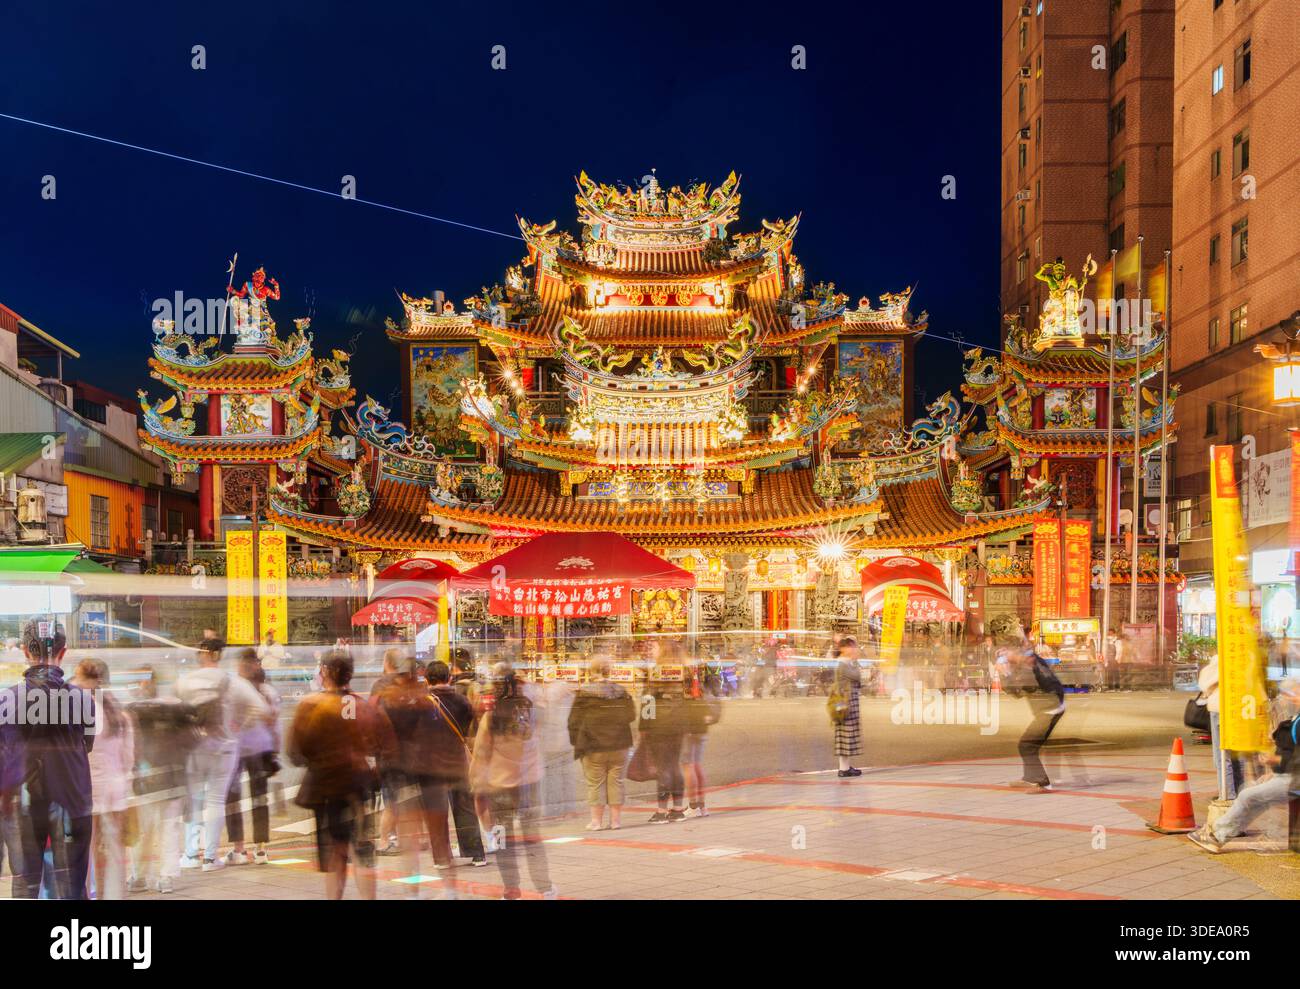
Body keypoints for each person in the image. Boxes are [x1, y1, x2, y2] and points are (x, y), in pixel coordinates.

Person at [287, 651, 396, 900]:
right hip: (359, 784)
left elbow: (295, 752)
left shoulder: (310, 706)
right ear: (350, 674)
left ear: (324, 671)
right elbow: (386, 745)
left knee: (335, 852)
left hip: (326, 786)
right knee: (363, 850)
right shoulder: (364, 705)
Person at [1, 620, 94, 899]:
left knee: (26, 885)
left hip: (24, 802)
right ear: (63, 653)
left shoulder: (7, 700)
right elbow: (87, 745)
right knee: (73, 886)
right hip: (73, 802)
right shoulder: (83, 699)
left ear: (26, 652)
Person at [176, 637, 270, 871]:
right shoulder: (232, 682)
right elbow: (262, 708)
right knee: (216, 800)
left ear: (200, 654)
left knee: (195, 798)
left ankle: (190, 854)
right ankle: (210, 858)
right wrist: (239, 723)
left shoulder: (186, 681)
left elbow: (174, 711)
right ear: (220, 655)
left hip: (195, 747)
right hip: (225, 747)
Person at [469, 663, 556, 899]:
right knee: (532, 837)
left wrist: (476, 781)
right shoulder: (534, 712)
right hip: (529, 782)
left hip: (500, 784)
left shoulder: (492, 716)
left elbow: (481, 753)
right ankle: (545, 888)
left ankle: (511, 889)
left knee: (502, 838)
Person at [371, 650, 454, 884]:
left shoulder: (383, 687)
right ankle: (401, 839)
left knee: (394, 800)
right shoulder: (414, 689)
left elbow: (373, 719)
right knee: (404, 800)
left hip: (393, 756)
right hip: (409, 756)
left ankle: (389, 840)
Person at [1193, 679, 1300, 848]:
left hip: (1294, 780)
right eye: (1291, 694)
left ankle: (1218, 835)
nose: (1291, 698)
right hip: (1288, 776)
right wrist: (1275, 770)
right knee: (1252, 794)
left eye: (1295, 694)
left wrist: (1277, 761)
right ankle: (1221, 835)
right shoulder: (1296, 718)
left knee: (1247, 796)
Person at [70, 659, 135, 899]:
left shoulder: (76, 710)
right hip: (116, 785)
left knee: (86, 846)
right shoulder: (118, 711)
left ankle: (86, 893)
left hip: (88, 786)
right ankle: (113, 894)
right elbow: (129, 757)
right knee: (114, 845)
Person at [127, 667, 191, 894]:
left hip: (146, 779)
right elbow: (191, 740)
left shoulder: (133, 711)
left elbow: (129, 748)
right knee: (168, 828)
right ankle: (165, 877)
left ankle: (140, 875)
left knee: (145, 829)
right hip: (173, 776)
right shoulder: (175, 708)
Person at [425, 660, 487, 866]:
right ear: (449, 678)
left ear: (427, 679)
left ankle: (442, 857)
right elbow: (469, 729)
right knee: (465, 807)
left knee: (437, 811)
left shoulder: (422, 703)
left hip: (433, 764)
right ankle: (476, 854)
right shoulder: (462, 701)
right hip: (458, 760)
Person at [224, 650, 280, 866]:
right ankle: (261, 849)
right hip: (260, 750)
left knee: (233, 798)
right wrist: (276, 749)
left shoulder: (235, 687)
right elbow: (276, 725)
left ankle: (239, 848)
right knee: (259, 798)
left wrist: (240, 726)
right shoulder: (268, 691)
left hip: (239, 751)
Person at [567, 657, 636, 831]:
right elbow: (631, 716)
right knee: (617, 782)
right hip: (620, 744)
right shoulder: (621, 691)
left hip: (593, 745)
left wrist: (576, 742)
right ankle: (615, 822)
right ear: (609, 670)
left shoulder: (584, 693)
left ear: (591, 670)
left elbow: (573, 722)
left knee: (595, 783)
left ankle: (596, 822)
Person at [1014, 643, 1066, 792]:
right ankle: (1030, 778)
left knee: (1026, 745)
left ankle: (1043, 783)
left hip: (1049, 711)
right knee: (1029, 745)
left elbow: (1018, 692)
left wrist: (1007, 674)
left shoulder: (1029, 667)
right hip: (1053, 707)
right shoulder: (1034, 660)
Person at [639, 681, 687, 822]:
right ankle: (678, 809)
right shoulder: (680, 678)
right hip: (677, 729)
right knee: (674, 766)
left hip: (658, 730)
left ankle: (662, 811)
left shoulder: (654, 682)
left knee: (663, 769)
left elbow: (647, 712)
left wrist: (643, 731)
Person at [1198, 654, 1243, 799]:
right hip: (1240, 708)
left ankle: (1227, 794)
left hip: (1220, 708)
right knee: (1237, 755)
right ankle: (1240, 791)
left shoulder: (1222, 656)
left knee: (1222, 755)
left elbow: (1205, 684)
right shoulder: (1244, 655)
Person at [681, 659, 722, 817]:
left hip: (690, 730)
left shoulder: (691, 688)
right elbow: (714, 711)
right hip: (702, 730)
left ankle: (693, 806)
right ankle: (702, 806)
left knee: (688, 765)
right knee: (697, 765)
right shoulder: (708, 688)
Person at [831, 637, 863, 778]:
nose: (854, 650)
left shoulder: (845, 663)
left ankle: (845, 767)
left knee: (846, 737)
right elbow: (856, 676)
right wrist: (855, 661)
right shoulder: (843, 664)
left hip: (846, 702)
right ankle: (843, 769)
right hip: (845, 703)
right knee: (845, 736)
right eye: (851, 647)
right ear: (843, 649)